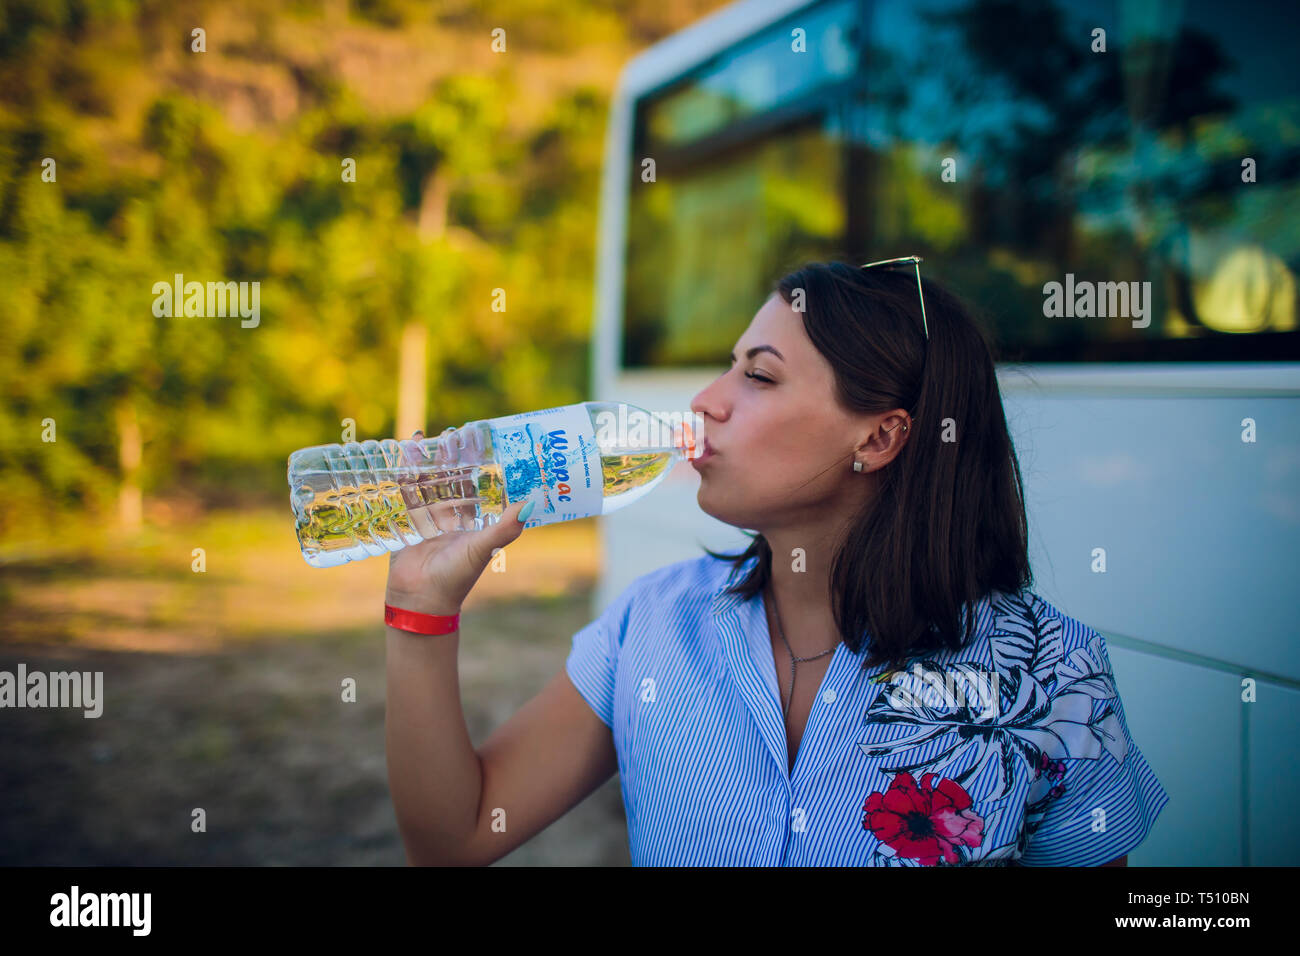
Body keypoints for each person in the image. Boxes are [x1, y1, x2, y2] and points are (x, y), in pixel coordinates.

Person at [382, 258, 1170, 866]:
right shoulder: (652, 626)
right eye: (731, 366)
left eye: (757, 376)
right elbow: (455, 838)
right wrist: (422, 606)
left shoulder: (1049, 671)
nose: (706, 402)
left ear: (879, 438)